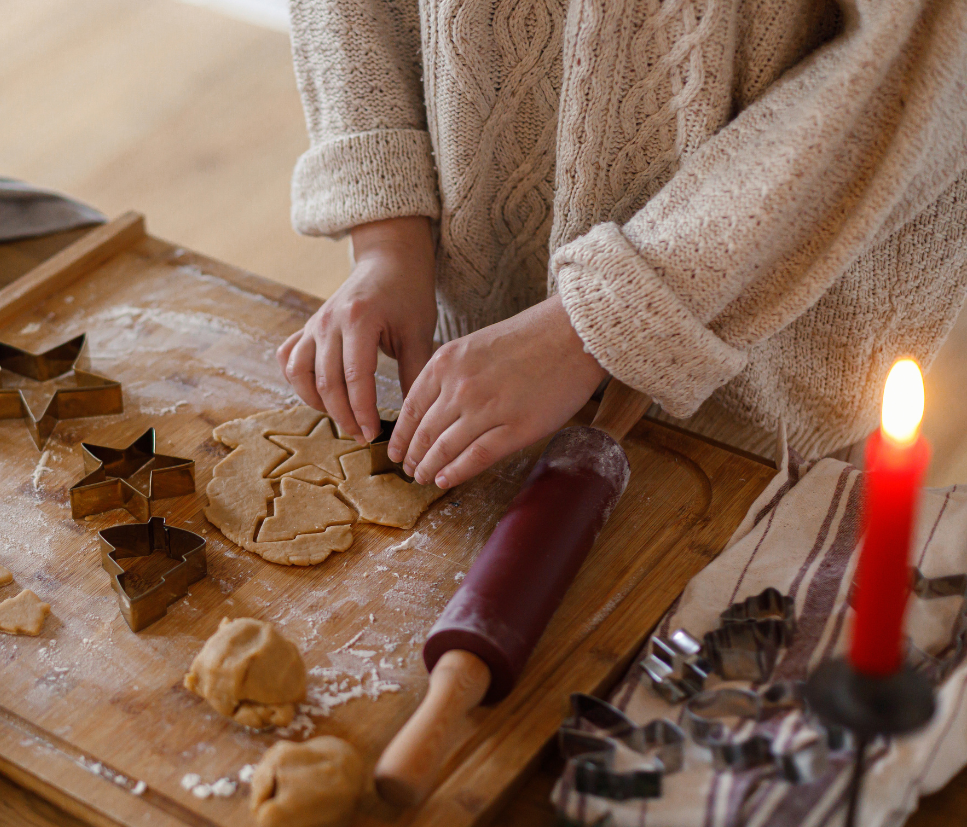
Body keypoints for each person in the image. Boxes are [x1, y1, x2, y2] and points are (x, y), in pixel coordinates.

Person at [277, 0, 967, 489]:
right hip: (477, 305)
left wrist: (604, 320)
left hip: (762, 368)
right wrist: (387, 238)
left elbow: (914, 69)